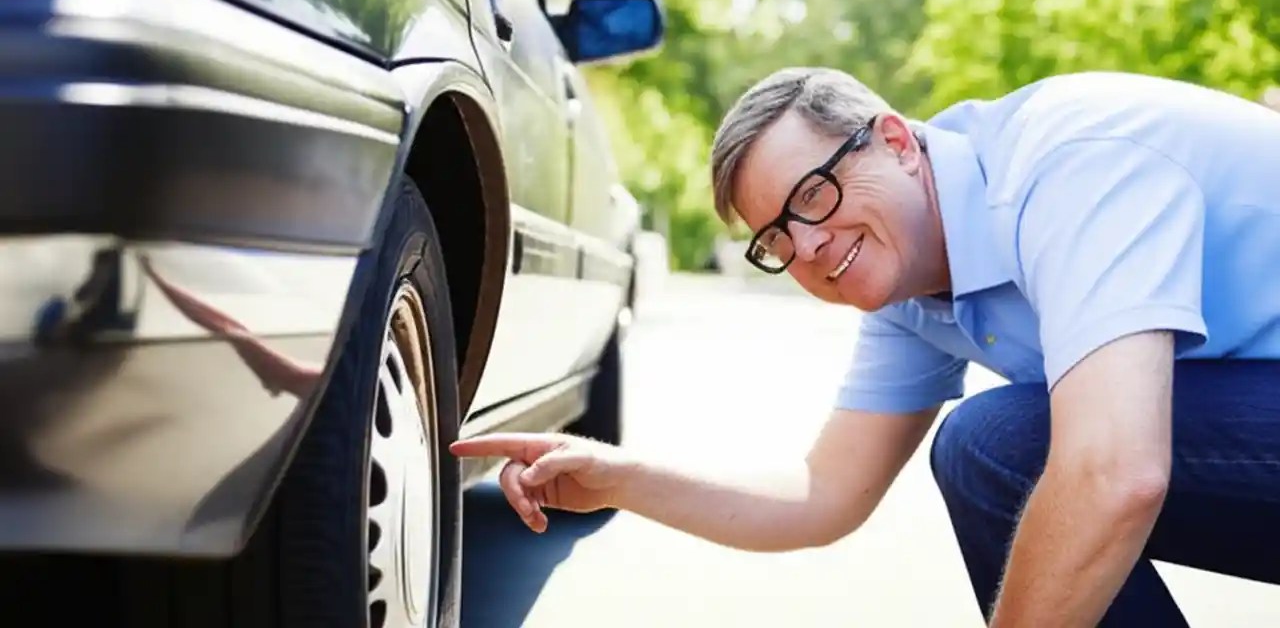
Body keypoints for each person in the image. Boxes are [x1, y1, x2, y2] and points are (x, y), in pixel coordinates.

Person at [451, 68, 1280, 627]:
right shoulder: (910, 290)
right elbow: (822, 496)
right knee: (1007, 452)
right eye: (775, 237)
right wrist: (620, 478)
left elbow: (1115, 473)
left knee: (1003, 449)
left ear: (893, 138)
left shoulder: (1064, 166)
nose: (806, 247)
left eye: (812, 195)